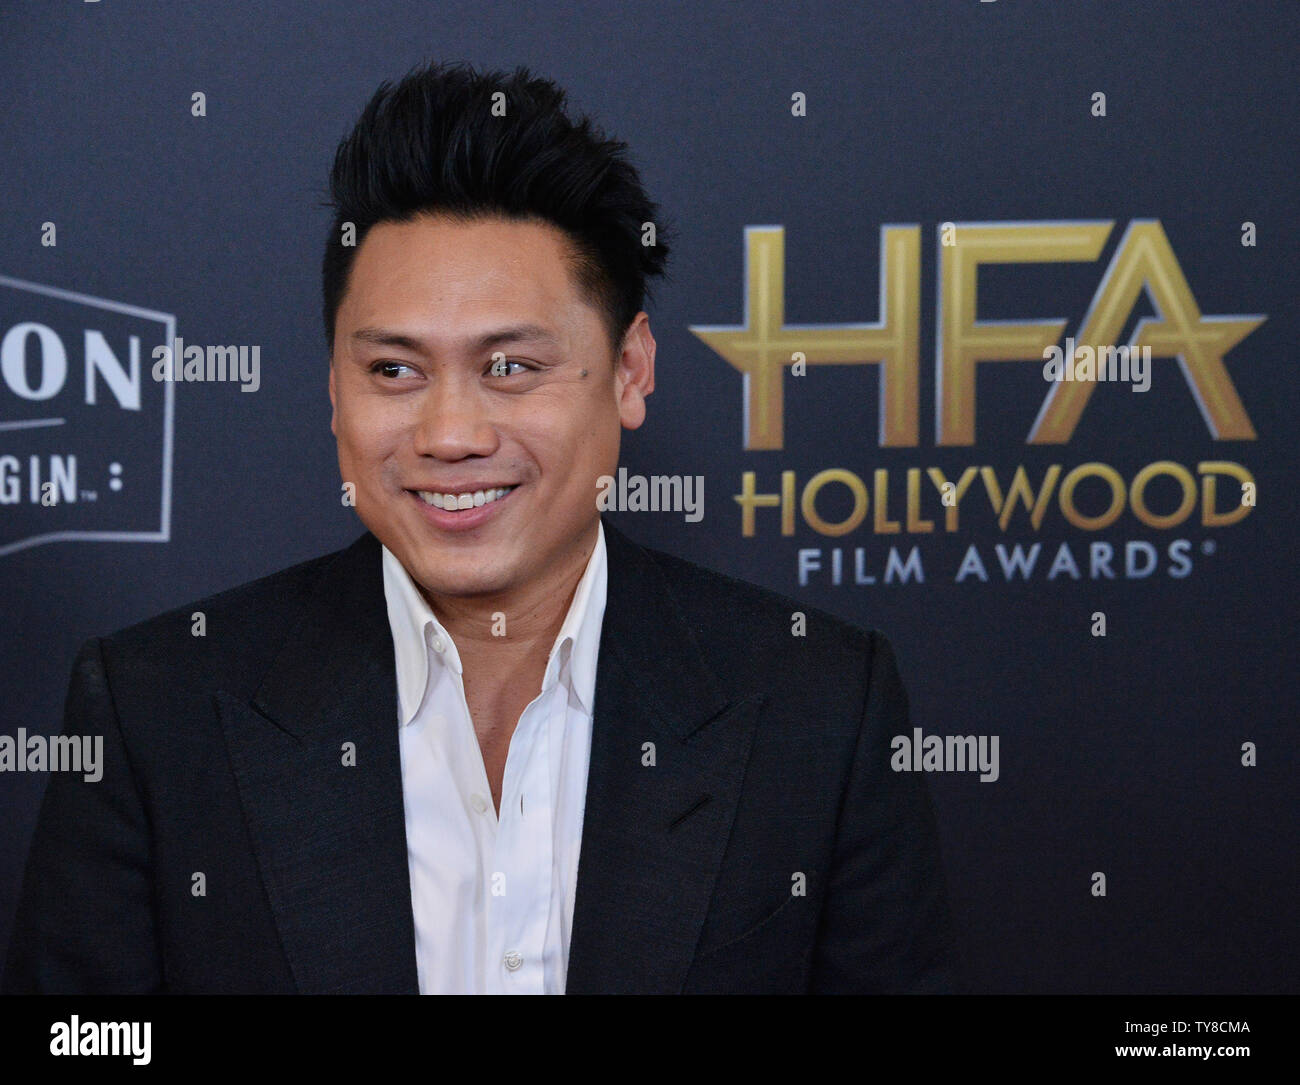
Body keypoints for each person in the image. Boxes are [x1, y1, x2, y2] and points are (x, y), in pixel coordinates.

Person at [4, 61, 958, 994]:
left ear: (630, 372)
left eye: (509, 367)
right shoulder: (155, 710)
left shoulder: (820, 705)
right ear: (333, 389)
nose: (450, 435)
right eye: (393, 371)